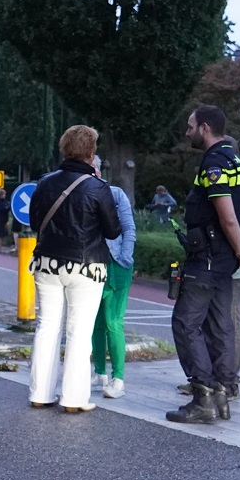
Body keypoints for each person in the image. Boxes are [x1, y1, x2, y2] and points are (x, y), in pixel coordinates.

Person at [167, 104, 240, 424]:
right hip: (224, 262)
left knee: (186, 323)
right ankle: (222, 393)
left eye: (191, 126)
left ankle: (202, 396)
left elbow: (228, 216)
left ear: (205, 128)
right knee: (221, 325)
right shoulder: (239, 162)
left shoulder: (214, 163)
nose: (187, 132)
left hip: (205, 258)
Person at [27, 125, 122, 412]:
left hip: (46, 263)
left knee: (47, 327)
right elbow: (113, 231)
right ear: (91, 153)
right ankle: (73, 399)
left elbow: (34, 224)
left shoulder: (44, 183)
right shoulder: (98, 188)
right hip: (86, 266)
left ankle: (40, 394)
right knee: (79, 332)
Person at [89, 162, 136, 399]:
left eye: (93, 167)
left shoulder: (116, 195)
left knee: (112, 321)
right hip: (92, 264)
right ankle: (100, 373)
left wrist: (124, 258)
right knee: (95, 323)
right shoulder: (84, 193)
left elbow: (129, 228)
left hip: (116, 264)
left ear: (99, 170)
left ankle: (118, 379)